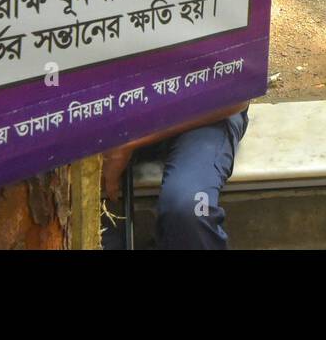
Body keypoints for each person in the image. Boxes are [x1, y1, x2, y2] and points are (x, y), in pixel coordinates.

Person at [101, 102, 250, 249]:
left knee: (193, 210)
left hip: (206, 115)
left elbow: (238, 98)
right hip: (106, 120)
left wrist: (128, 143)